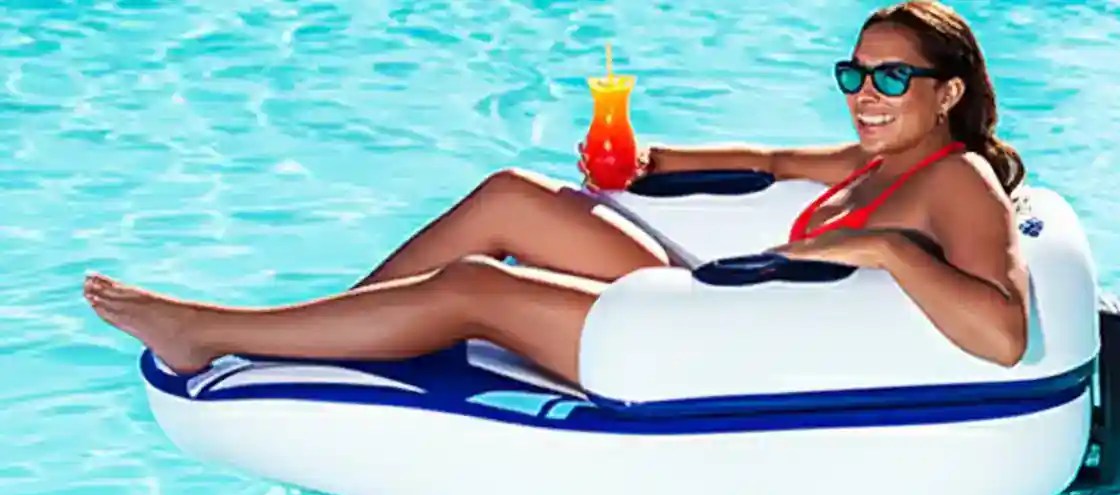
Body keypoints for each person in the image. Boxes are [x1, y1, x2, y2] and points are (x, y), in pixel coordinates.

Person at [83, 0, 1031, 389]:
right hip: (713, 301)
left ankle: (215, 332)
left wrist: (886, 250)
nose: (866, 94)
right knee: (510, 195)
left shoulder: (957, 180)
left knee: (474, 287)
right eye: (854, 74)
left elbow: (1003, 335)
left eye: (891, 78)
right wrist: (654, 160)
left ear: (947, 92)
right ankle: (334, 342)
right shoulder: (879, 157)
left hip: (720, 352)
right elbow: (776, 158)